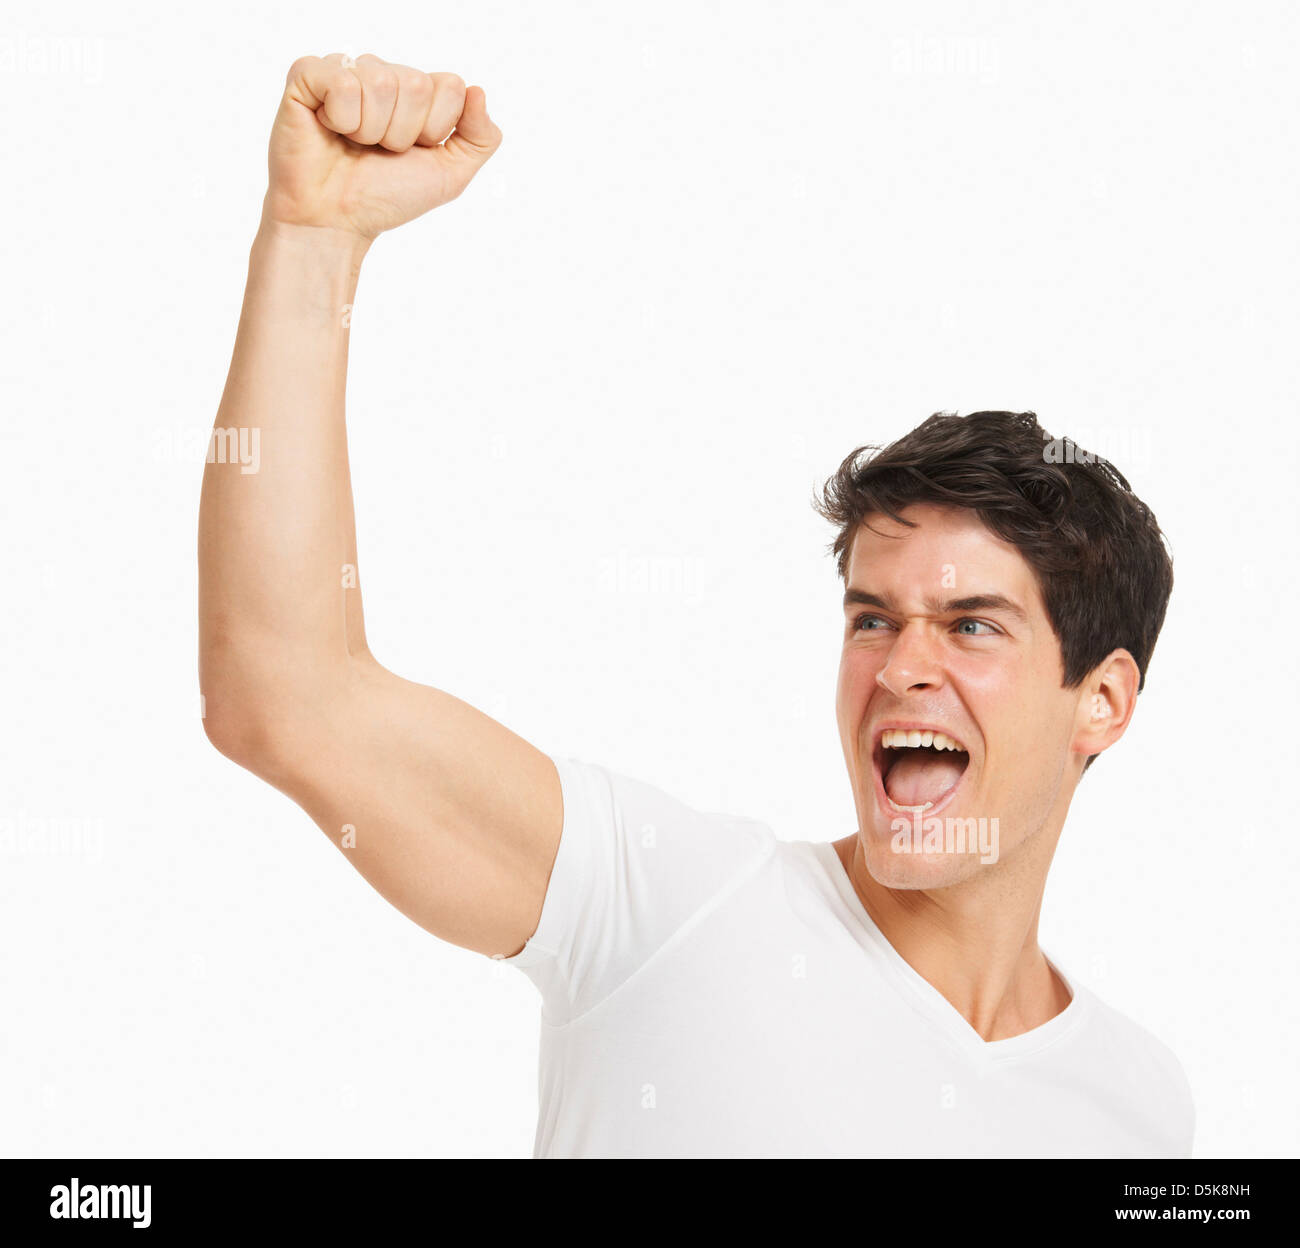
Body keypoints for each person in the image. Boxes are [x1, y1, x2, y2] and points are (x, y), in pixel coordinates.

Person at [198, 52, 1194, 1159]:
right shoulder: (670, 909)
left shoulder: (1138, 1105)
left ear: (1100, 699)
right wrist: (315, 237)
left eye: (970, 625)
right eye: (872, 618)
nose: (902, 665)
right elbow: (286, 696)